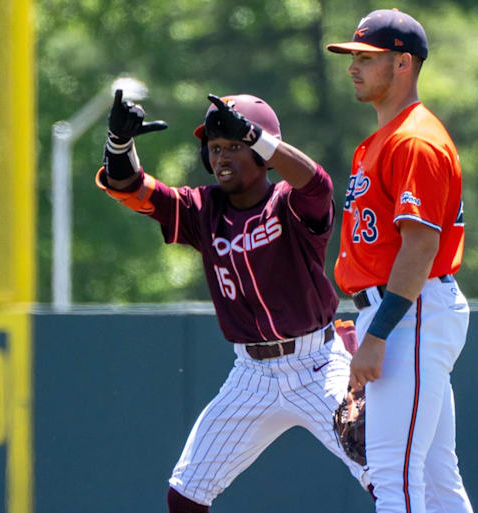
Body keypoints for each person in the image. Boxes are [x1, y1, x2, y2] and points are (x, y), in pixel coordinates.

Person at [95, 90, 369, 512]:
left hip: (318, 365)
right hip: (251, 374)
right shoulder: (202, 209)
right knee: (185, 496)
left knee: (380, 472)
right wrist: (118, 144)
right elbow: (130, 188)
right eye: (216, 147)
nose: (222, 156)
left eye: (235, 147)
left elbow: (318, 184)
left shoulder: (290, 204)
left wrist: (261, 139)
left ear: (263, 152)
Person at [326, 8, 474, 513]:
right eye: (354, 57)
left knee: (394, 477)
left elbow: (421, 247)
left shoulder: (415, 139)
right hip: (402, 311)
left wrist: (379, 331)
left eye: (368, 57)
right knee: (435, 480)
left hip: (408, 314)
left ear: (403, 63)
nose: (354, 67)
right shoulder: (382, 140)